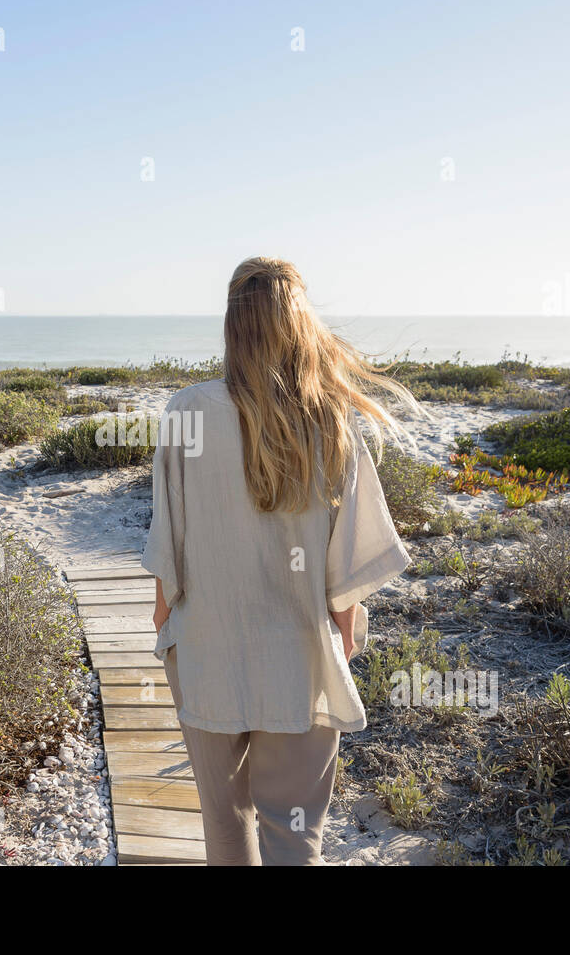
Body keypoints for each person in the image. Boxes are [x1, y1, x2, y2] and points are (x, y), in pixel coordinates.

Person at [141, 256, 422, 865]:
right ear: (301, 325)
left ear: (231, 325)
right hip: (298, 652)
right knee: (295, 835)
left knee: (224, 824)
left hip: (208, 648)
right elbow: (348, 570)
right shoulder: (331, 420)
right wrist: (342, 634)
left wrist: (165, 628)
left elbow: (169, 551)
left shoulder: (186, 411)